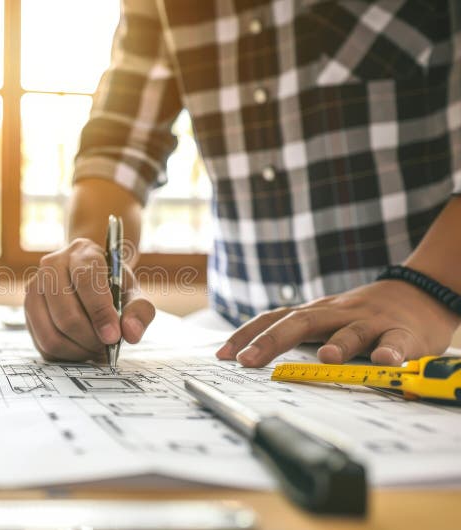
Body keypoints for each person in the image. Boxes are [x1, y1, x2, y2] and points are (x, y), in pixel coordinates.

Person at [25, 0, 461, 368]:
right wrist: (91, 269)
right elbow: (117, 151)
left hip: (433, 338)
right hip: (238, 347)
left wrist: (430, 287)